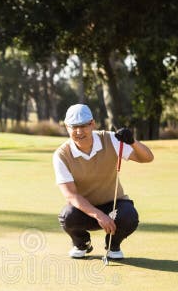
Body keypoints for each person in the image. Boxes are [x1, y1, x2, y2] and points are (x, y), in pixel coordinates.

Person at [53, 104, 154, 259]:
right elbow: (71, 196)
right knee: (68, 216)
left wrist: (132, 141)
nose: (79, 131)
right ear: (67, 127)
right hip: (84, 211)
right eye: (74, 127)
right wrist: (99, 215)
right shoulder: (61, 155)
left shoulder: (111, 139)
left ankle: (113, 244)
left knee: (129, 215)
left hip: (114, 206)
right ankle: (82, 243)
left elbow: (147, 158)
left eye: (84, 125)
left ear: (92, 123)